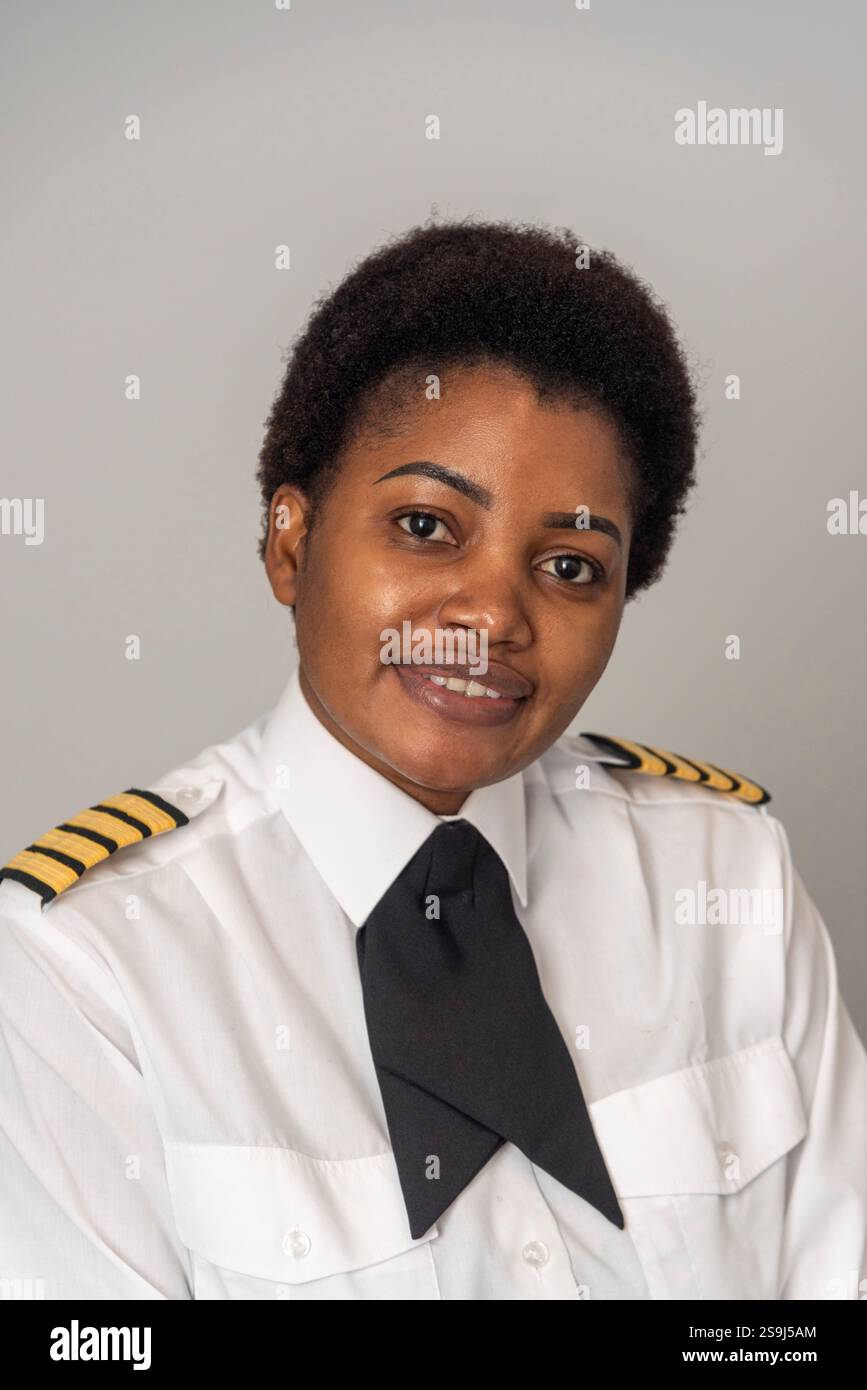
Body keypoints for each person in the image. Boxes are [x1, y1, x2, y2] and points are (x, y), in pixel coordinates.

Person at [1, 219, 864, 1301]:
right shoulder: (88, 964)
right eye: (425, 523)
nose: (492, 614)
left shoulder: (726, 880)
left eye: (570, 564)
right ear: (289, 541)